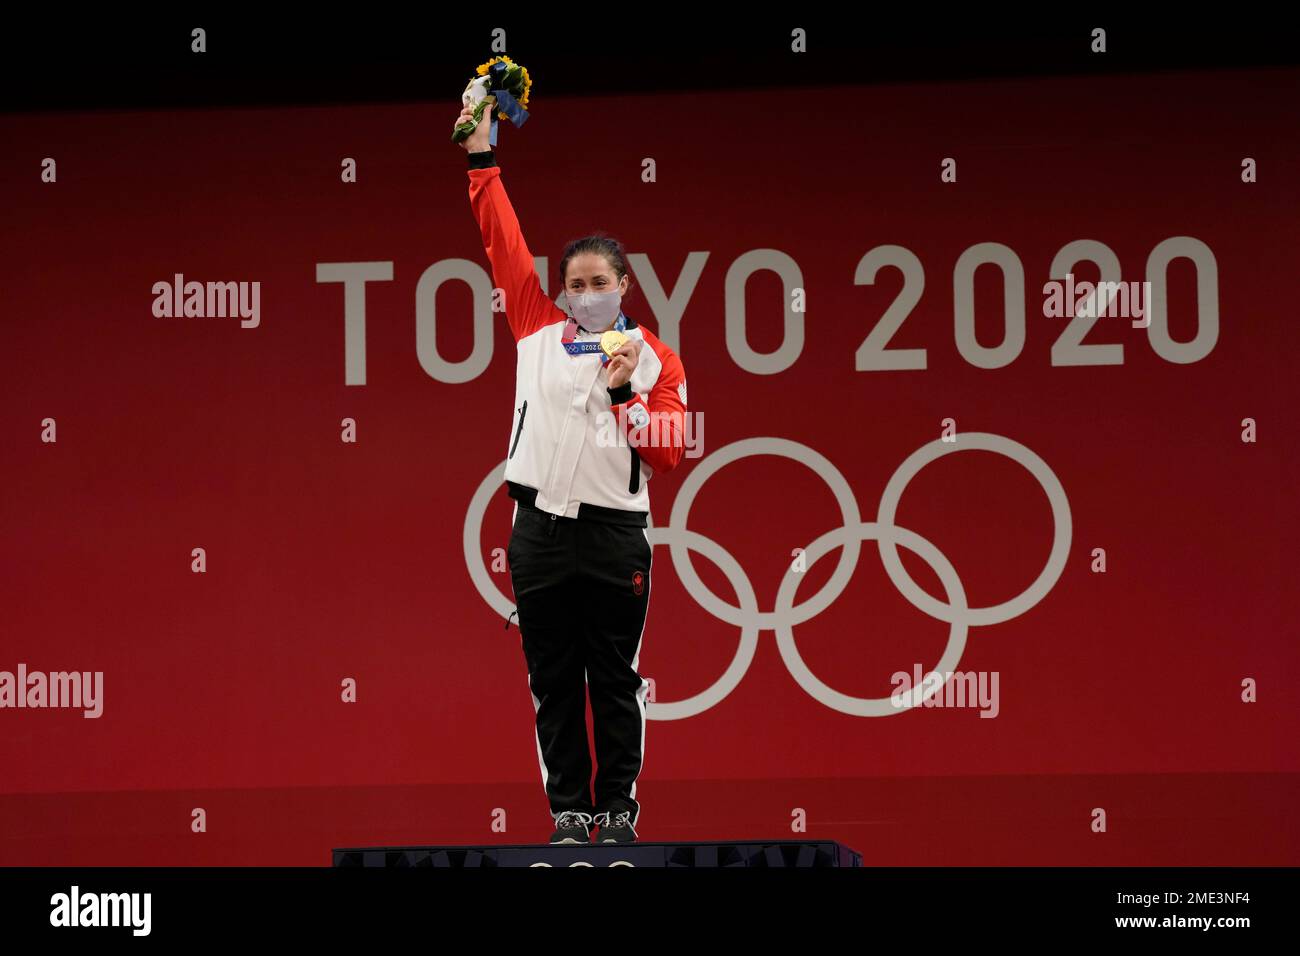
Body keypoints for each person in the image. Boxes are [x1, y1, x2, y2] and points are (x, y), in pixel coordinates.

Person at [455, 103, 690, 845]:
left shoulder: (654, 356)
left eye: (600, 280)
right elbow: (503, 242)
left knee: (613, 679)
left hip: (616, 537)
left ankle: (617, 810)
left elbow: (669, 452)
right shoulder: (533, 329)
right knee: (554, 683)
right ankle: (569, 815)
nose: (586, 292)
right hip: (539, 536)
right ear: (560, 289)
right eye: (574, 282)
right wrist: (479, 159)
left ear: (624, 284)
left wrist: (624, 393)